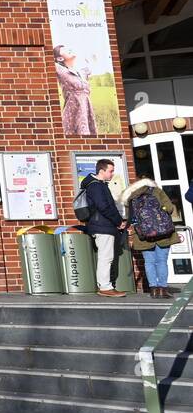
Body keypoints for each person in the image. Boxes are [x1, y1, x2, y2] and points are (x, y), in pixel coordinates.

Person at [122, 178, 180, 299]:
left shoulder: (130, 197)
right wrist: (161, 212)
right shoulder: (157, 191)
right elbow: (169, 208)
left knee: (149, 262)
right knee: (162, 261)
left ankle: (153, 289)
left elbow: (130, 218)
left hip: (144, 235)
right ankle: (163, 290)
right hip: (163, 233)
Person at [81, 159, 128, 298]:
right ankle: (105, 287)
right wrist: (118, 221)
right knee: (106, 257)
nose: (112, 174)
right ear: (101, 171)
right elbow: (104, 207)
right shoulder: (96, 186)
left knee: (106, 257)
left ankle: (105, 286)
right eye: (110, 171)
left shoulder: (99, 185)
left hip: (103, 225)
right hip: (102, 226)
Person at [54, 45, 97, 136]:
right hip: (73, 112)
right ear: (60, 58)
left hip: (85, 110)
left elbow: (90, 67)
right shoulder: (61, 70)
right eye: (64, 50)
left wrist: (92, 57)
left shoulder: (81, 73)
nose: (69, 49)